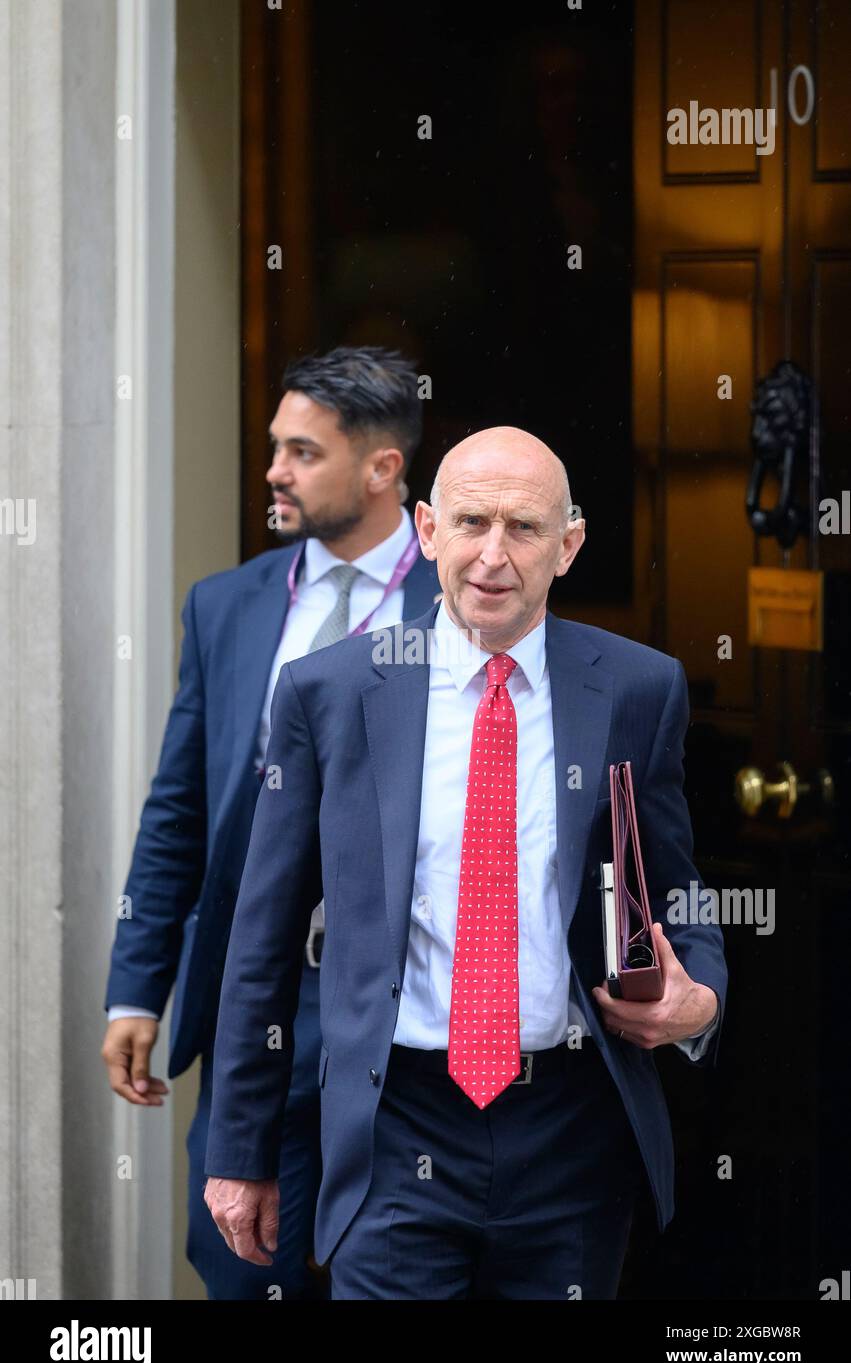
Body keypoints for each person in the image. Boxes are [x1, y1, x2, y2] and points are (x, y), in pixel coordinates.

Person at [203, 425, 726, 1300]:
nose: (492, 555)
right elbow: (260, 938)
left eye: (523, 529)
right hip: (393, 1122)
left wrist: (698, 999)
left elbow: (675, 890)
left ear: (568, 546)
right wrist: (238, 1152)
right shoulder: (329, 692)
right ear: (425, 530)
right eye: (471, 521)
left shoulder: (638, 688)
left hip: (570, 1127)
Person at [102, 346, 439, 1299]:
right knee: (239, 1269)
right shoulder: (226, 605)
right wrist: (138, 988)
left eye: (301, 452)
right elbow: (180, 811)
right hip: (253, 1003)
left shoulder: (462, 604)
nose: (273, 473)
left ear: (382, 469)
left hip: (406, 1014)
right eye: (273, 448)